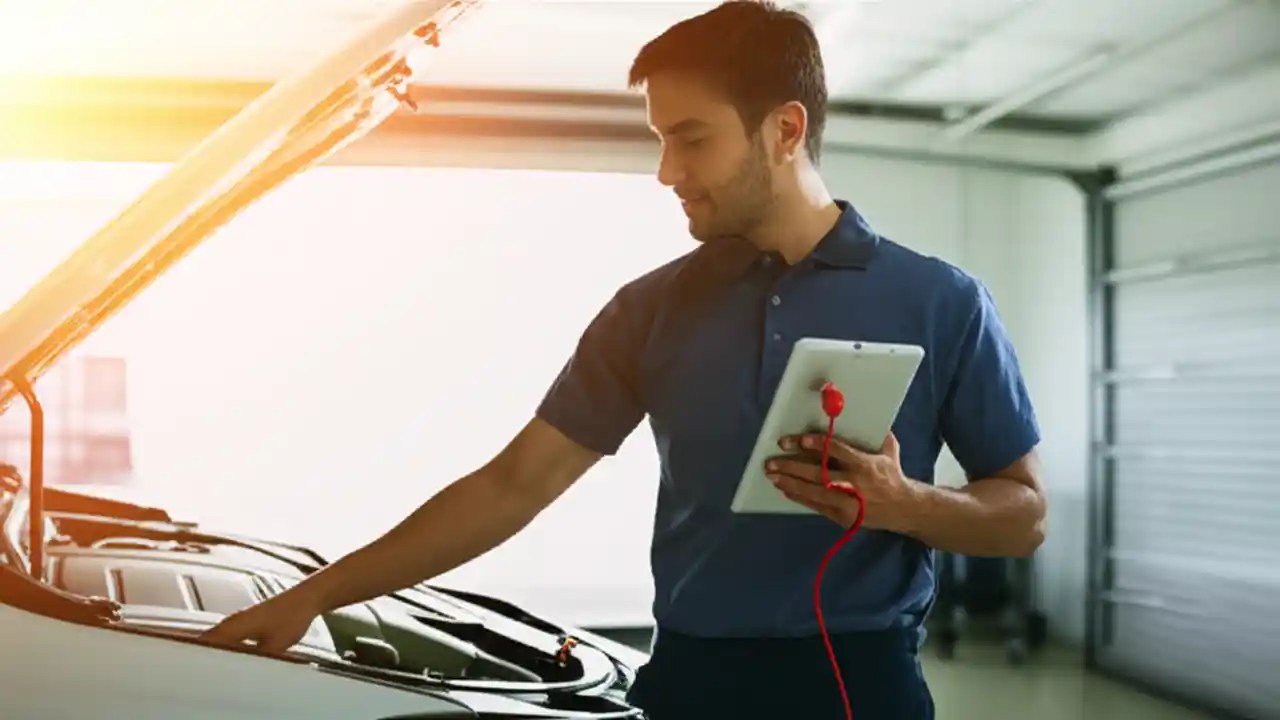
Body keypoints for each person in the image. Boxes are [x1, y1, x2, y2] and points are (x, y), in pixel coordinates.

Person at [202, 2, 1047, 718]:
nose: (666, 171)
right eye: (660, 141)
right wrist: (317, 595)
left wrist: (905, 505)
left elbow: (1023, 515)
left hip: (861, 683)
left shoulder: (942, 302)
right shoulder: (649, 309)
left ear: (785, 131)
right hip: (689, 680)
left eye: (691, 139)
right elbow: (512, 486)